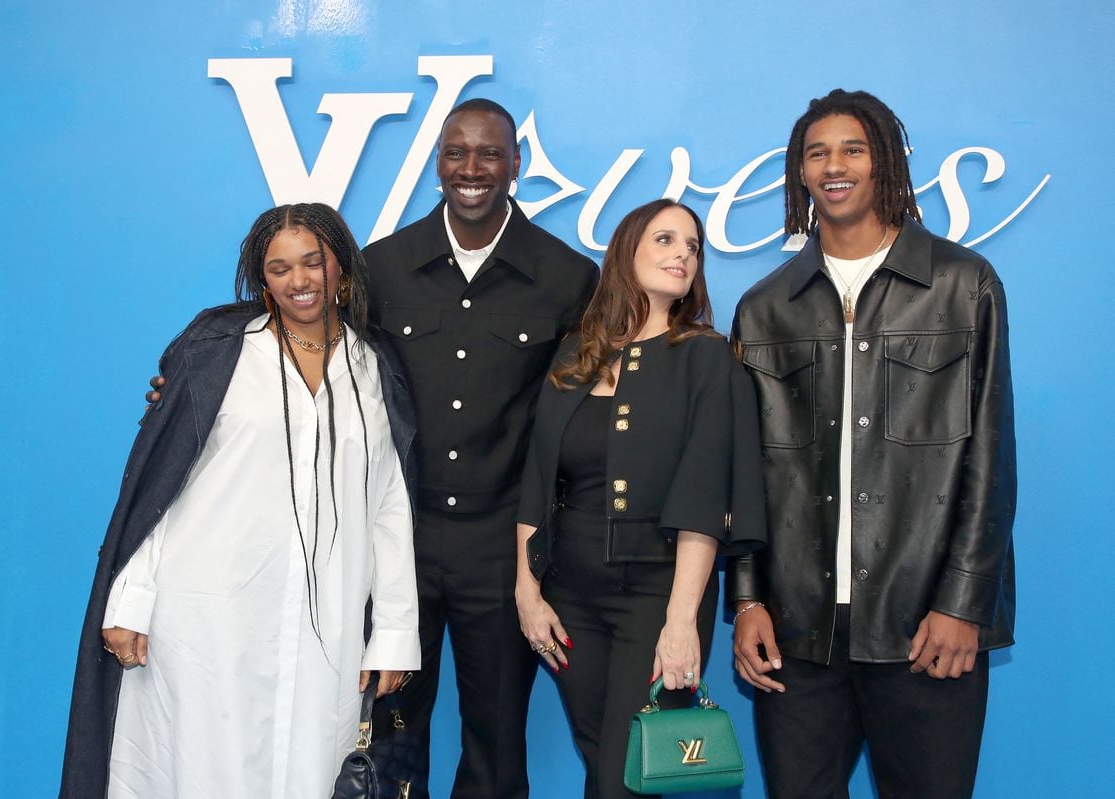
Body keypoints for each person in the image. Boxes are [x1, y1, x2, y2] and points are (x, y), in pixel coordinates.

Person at [60, 203, 420, 798]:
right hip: (205, 614)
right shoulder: (216, 349)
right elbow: (159, 487)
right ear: (261, 280)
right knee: (200, 767)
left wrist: (395, 631)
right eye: (279, 269)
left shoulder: (374, 367)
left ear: (343, 269)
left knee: (310, 768)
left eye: (313, 262)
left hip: (326, 623)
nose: (299, 281)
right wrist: (131, 598)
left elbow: (390, 507)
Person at [729, 89, 1017, 798]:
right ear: (799, 173)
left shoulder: (961, 284)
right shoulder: (765, 307)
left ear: (885, 161)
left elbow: (990, 455)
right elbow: (743, 471)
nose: (835, 165)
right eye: (817, 152)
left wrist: (963, 603)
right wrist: (747, 599)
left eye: (853, 149)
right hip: (797, 634)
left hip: (925, 627)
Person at [361, 98, 600, 798]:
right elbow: (311, 349)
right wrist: (199, 364)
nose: (472, 168)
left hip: (506, 550)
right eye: (456, 152)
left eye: (489, 153)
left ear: (515, 165)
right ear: (437, 164)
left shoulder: (567, 277)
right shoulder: (382, 267)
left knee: (495, 740)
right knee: (388, 732)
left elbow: (593, 410)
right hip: (397, 542)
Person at [515, 199, 766, 799]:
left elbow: (706, 497)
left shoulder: (706, 358)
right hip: (567, 597)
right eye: (666, 239)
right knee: (602, 761)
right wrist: (527, 591)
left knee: (631, 778)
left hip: (656, 595)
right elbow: (536, 478)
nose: (684, 253)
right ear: (627, 251)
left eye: (693, 245)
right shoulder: (575, 353)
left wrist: (682, 621)